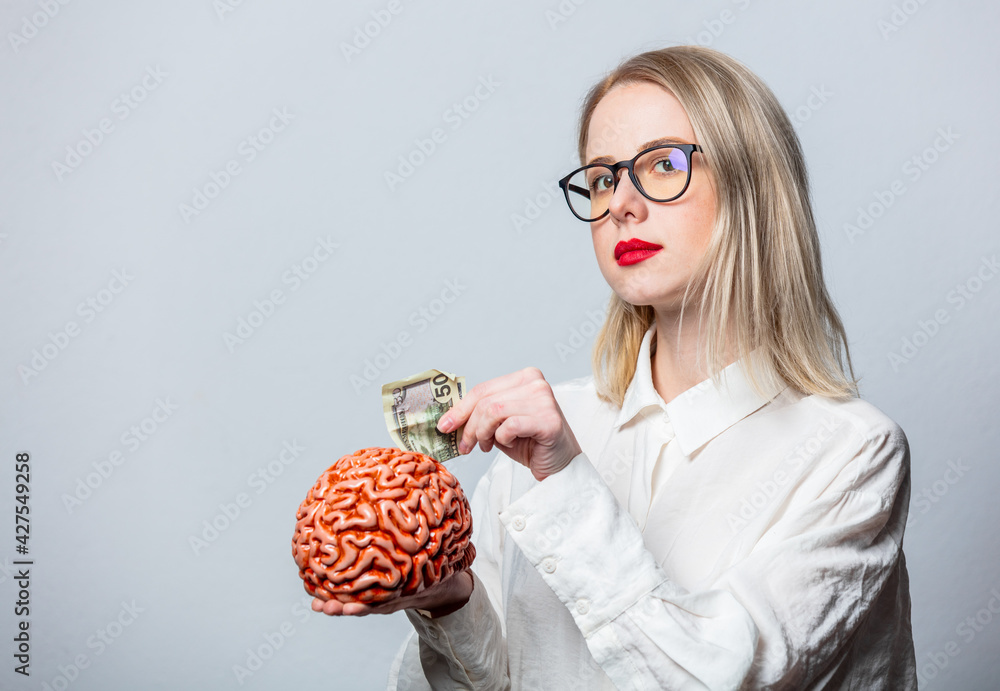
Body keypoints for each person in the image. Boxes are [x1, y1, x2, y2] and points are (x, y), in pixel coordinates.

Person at [314, 45, 917, 690]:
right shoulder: (552, 426)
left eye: (662, 164)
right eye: (602, 177)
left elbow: (717, 676)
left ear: (753, 183)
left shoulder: (851, 451)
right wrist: (449, 601)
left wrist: (568, 480)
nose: (622, 204)